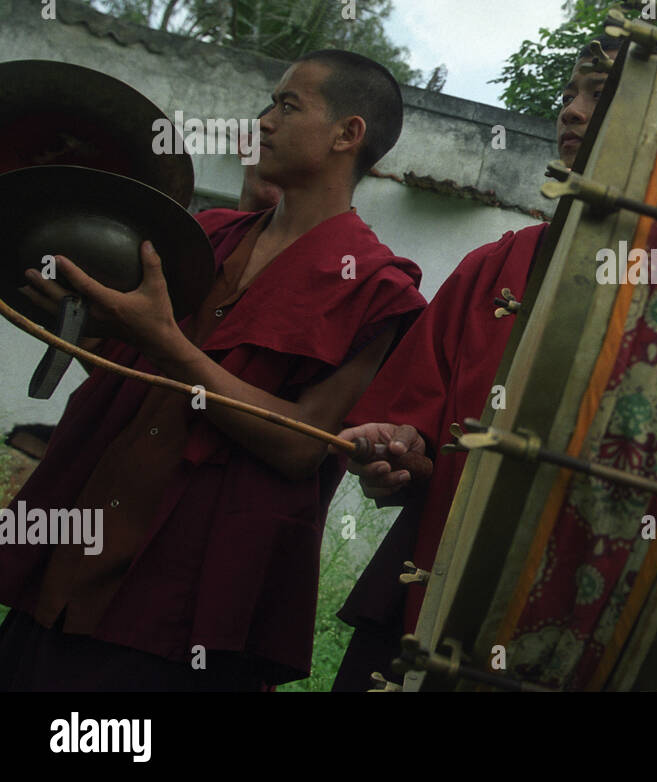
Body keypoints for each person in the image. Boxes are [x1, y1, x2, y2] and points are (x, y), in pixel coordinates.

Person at [0, 49, 426, 690]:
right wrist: (87, 319)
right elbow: (121, 373)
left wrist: (165, 343)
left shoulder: (377, 288)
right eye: (268, 103)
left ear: (348, 133)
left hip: (184, 602)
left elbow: (301, 443)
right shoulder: (204, 238)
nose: (265, 121)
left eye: (288, 105)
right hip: (71, 559)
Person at [329, 36, 621, 691]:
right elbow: (411, 437)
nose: (570, 111)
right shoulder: (495, 266)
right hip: (430, 585)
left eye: (598, 94)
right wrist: (396, 454)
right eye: (568, 94)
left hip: (571, 623)